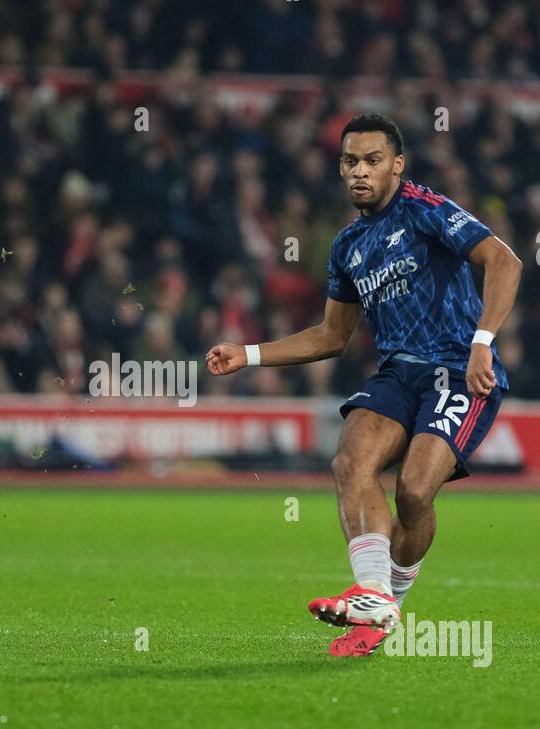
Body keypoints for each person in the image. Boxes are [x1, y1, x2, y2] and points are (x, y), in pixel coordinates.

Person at [206, 114, 523, 656]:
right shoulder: (348, 246)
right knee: (350, 462)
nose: (360, 171)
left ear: (396, 165)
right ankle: (374, 594)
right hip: (399, 373)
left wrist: (482, 340)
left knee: (415, 491)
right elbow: (332, 336)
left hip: (457, 367)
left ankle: (387, 603)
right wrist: (249, 354)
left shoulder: (427, 210)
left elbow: (503, 259)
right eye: (351, 161)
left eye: (373, 161)